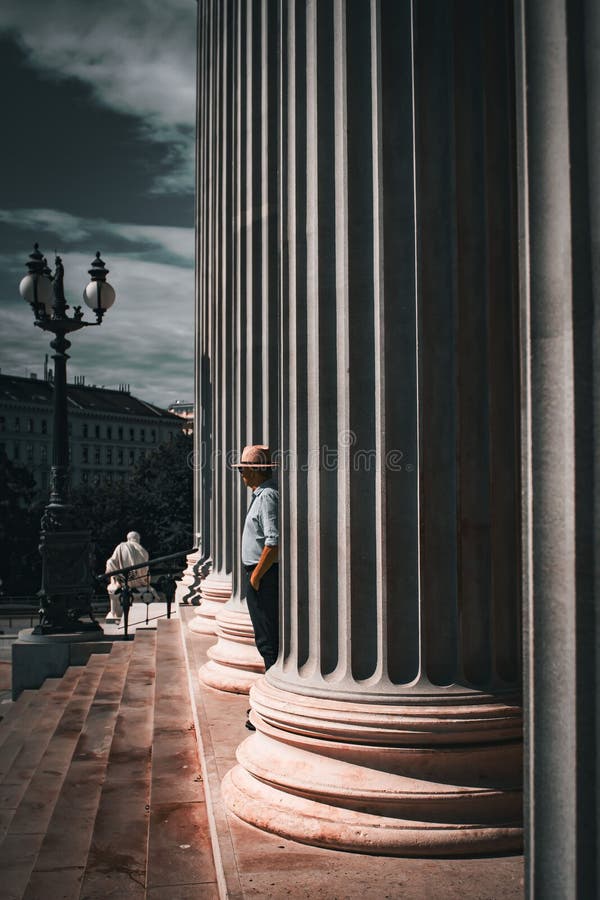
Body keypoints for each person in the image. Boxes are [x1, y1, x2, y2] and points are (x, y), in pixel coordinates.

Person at [233, 445, 279, 730]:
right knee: (266, 640)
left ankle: (270, 705)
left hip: (264, 576)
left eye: (243, 469)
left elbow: (273, 541)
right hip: (260, 575)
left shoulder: (268, 497)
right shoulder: (261, 496)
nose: (241, 474)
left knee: (268, 642)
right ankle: (267, 703)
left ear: (255, 470)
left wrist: (256, 576)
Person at [105, 531, 150, 622]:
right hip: (139, 581)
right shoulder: (143, 551)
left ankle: (114, 613)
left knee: (112, 585)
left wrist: (114, 574)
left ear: (128, 538)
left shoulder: (121, 547)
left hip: (123, 580)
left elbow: (111, 562)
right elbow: (145, 569)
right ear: (138, 539)